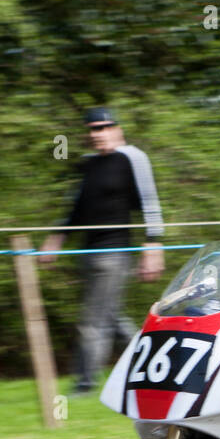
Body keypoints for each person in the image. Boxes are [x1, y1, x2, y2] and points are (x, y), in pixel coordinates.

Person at [39, 107, 166, 394]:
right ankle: (155, 363)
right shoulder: (88, 163)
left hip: (114, 252)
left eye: (105, 127)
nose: (99, 134)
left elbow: (150, 202)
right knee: (110, 316)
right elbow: (76, 208)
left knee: (93, 321)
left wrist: (153, 246)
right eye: (93, 129)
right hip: (86, 253)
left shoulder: (132, 157)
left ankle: (84, 384)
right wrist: (55, 239)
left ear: (117, 129)